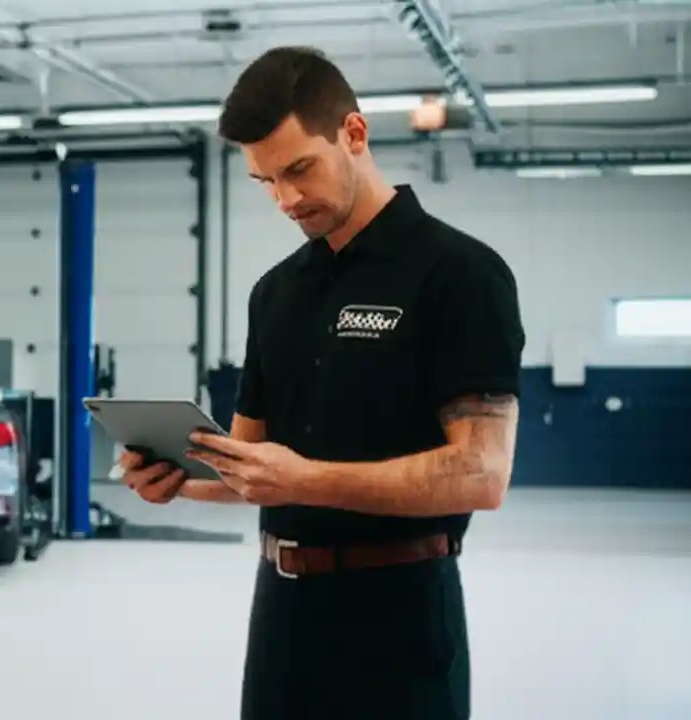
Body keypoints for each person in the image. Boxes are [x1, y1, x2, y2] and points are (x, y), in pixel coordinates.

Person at [118, 46, 525, 720]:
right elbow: (253, 461)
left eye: (299, 170)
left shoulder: (460, 275)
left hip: (401, 618)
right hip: (282, 616)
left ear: (354, 135)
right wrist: (178, 477)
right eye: (265, 182)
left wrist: (302, 480)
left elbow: (482, 474)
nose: (286, 199)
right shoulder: (275, 294)